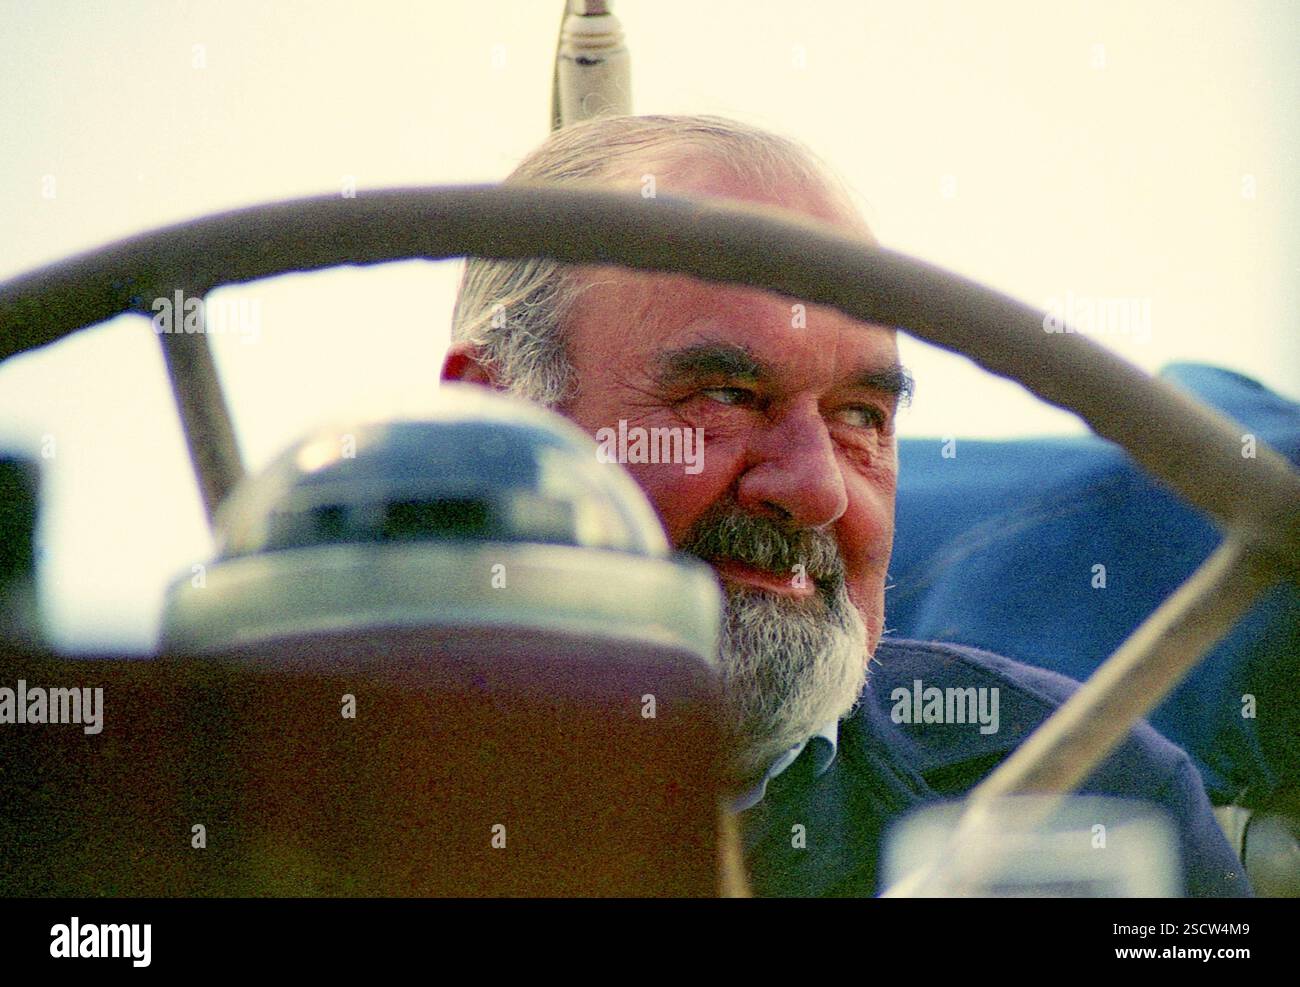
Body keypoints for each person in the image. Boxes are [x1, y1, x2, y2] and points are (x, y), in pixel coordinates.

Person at [440, 113, 1250, 896]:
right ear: (495, 422)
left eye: (861, 416)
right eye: (726, 394)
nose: (820, 491)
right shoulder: (325, 780)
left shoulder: (1090, 798)